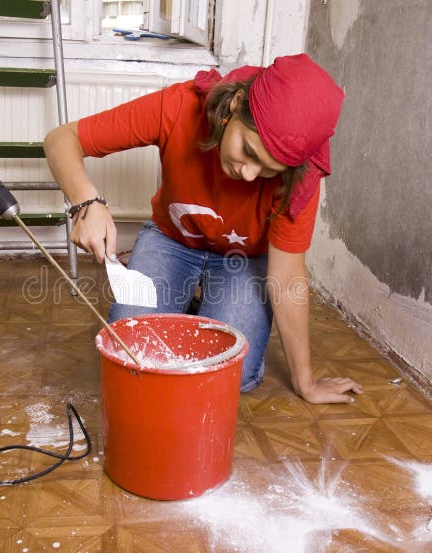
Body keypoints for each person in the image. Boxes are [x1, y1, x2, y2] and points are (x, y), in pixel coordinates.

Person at [44, 53, 363, 404]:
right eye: (250, 152)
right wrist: (86, 201)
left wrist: (306, 382)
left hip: (243, 258)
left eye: (270, 170)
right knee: (133, 356)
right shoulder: (178, 107)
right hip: (173, 240)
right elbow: (62, 139)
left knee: (230, 374)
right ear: (236, 105)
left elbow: (286, 277)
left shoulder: (300, 178)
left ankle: (193, 301)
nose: (250, 174)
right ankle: (176, 286)